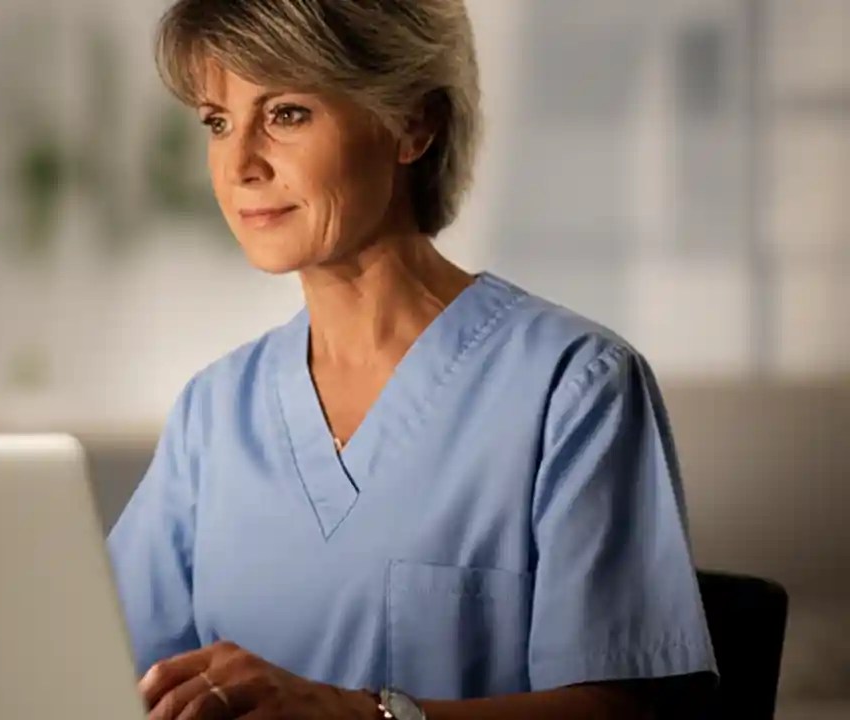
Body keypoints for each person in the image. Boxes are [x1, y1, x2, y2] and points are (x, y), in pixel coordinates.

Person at [107, 2, 717, 718]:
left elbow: (628, 711)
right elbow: (100, 667)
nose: (239, 163)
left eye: (287, 114)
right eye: (217, 121)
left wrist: (360, 715)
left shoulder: (573, 387)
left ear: (411, 125)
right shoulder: (214, 412)